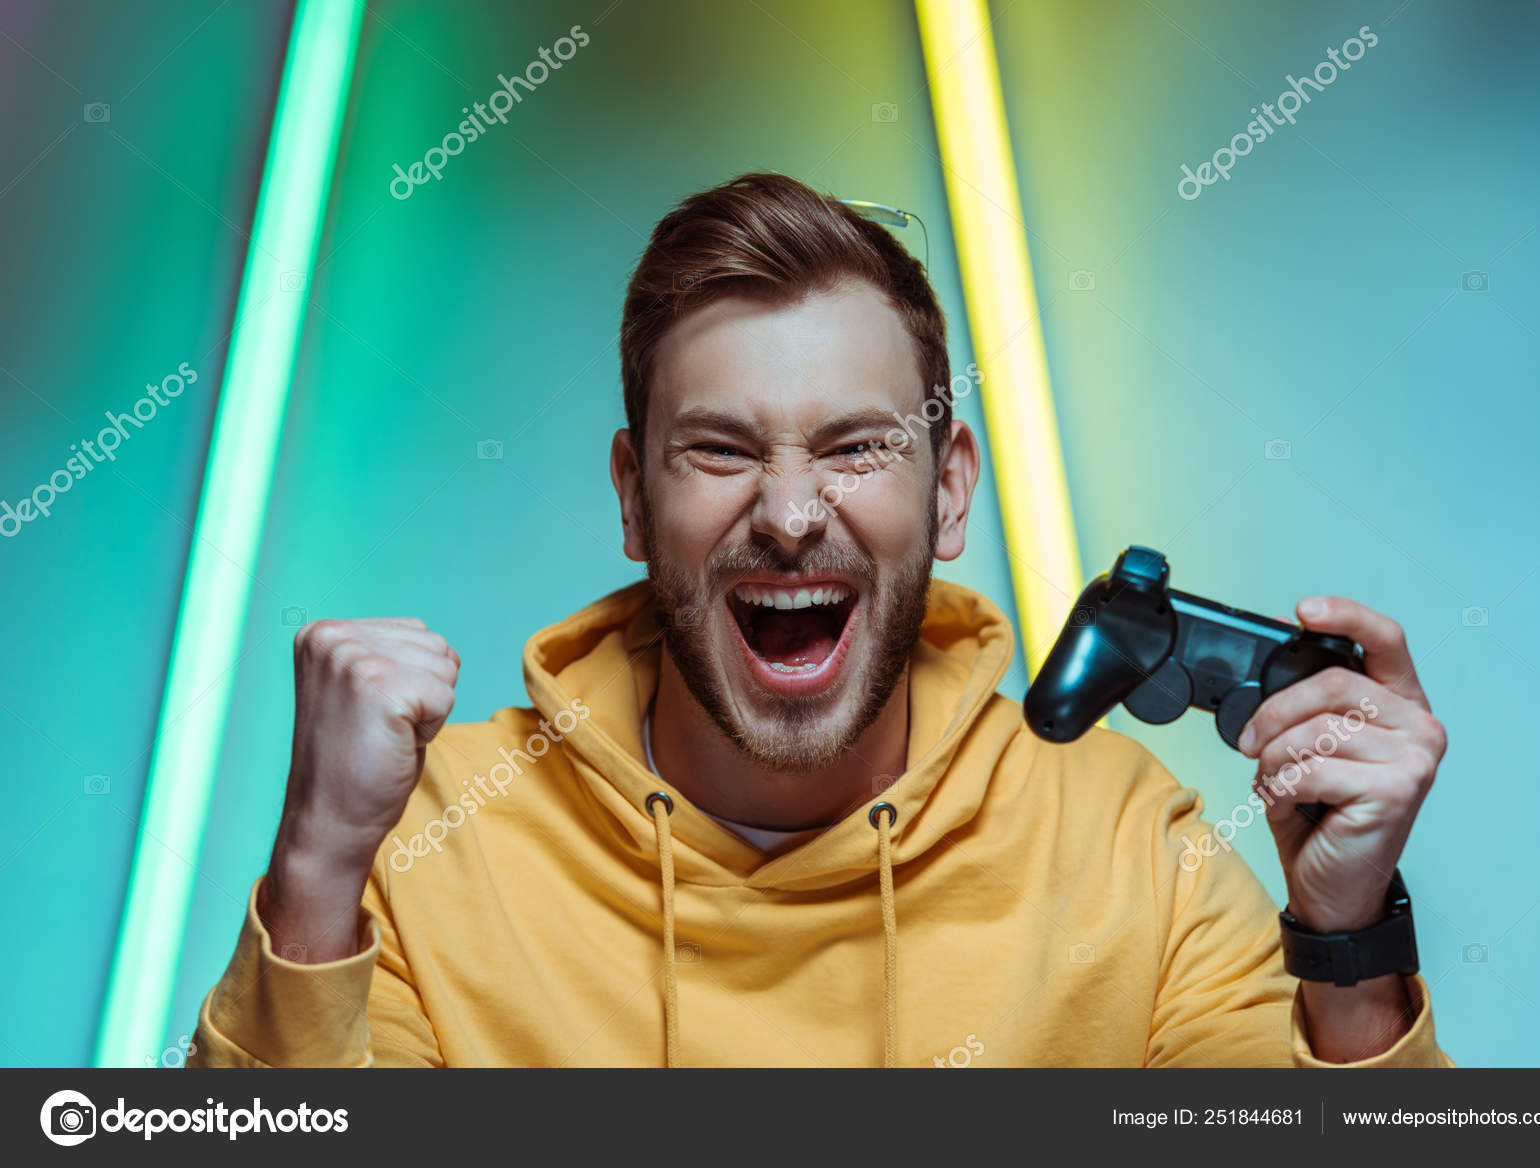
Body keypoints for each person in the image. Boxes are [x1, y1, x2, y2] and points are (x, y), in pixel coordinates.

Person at [191, 173, 1450, 1067]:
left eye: (855, 447)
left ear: (948, 491)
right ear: (632, 496)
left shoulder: (1131, 853)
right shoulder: (430, 843)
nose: (790, 516)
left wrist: (1348, 942)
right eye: (720, 449)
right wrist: (315, 873)